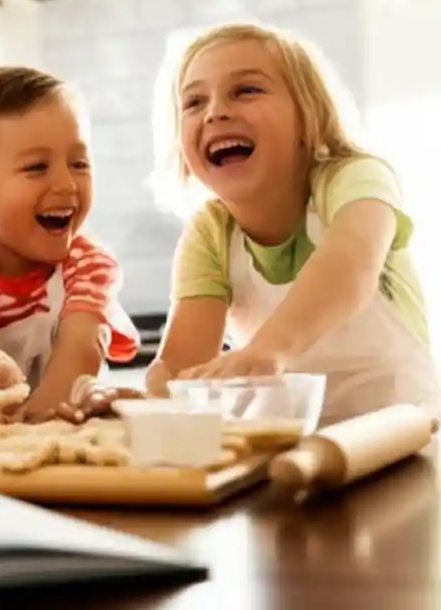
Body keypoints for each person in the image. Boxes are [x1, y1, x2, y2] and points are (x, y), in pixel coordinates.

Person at [144, 21, 440, 425]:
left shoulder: (353, 178)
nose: (215, 112)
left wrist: (269, 349)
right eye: (193, 102)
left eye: (246, 90)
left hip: (405, 433)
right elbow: (182, 364)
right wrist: (146, 397)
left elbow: (351, 265)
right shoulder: (210, 233)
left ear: (308, 116)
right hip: (285, 443)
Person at [0, 66, 140, 422]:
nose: (67, 184)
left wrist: (37, 422)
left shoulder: (88, 263)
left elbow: (81, 344)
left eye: (79, 163)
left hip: (66, 420)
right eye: (37, 167)